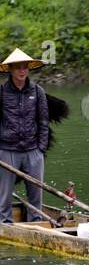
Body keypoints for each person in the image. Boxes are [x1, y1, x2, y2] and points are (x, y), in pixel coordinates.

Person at [0, 49, 50, 223]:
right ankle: (5, 224)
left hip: (33, 151)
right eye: (17, 67)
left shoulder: (37, 92)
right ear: (10, 70)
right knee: (4, 195)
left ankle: (36, 224)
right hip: (7, 150)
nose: (22, 71)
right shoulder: (2, 92)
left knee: (36, 194)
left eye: (25, 67)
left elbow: (44, 122)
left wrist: (40, 149)